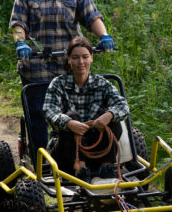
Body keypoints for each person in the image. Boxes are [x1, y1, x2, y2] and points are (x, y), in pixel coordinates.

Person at [10, 0, 115, 155]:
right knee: (39, 114)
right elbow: (18, 22)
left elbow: (91, 16)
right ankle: (42, 161)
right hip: (37, 66)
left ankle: (76, 157)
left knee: (75, 114)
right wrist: (21, 42)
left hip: (70, 65)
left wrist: (103, 35)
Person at [42, 37, 128, 179]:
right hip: (66, 152)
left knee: (112, 118)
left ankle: (106, 167)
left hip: (98, 150)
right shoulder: (58, 84)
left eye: (85, 57)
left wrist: (109, 115)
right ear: (69, 59)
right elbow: (49, 110)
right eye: (75, 58)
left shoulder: (102, 84)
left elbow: (123, 106)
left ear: (91, 58)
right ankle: (80, 169)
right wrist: (68, 123)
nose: (81, 62)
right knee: (71, 116)